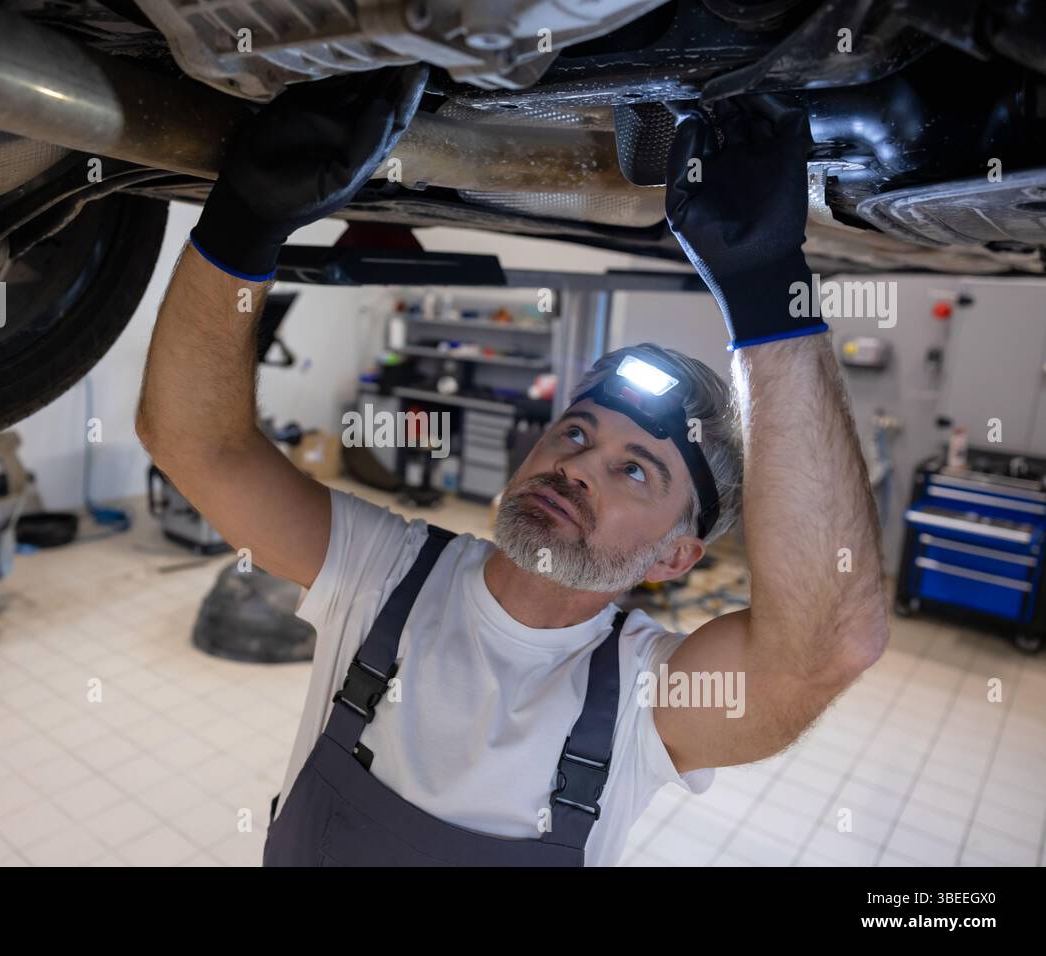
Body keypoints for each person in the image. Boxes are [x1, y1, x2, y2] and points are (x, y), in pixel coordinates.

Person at [135, 66, 889, 866]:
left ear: (677, 556)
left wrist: (768, 292)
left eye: (636, 471)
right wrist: (240, 225)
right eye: (575, 434)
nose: (579, 468)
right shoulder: (388, 573)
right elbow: (193, 444)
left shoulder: (644, 700)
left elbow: (826, 647)